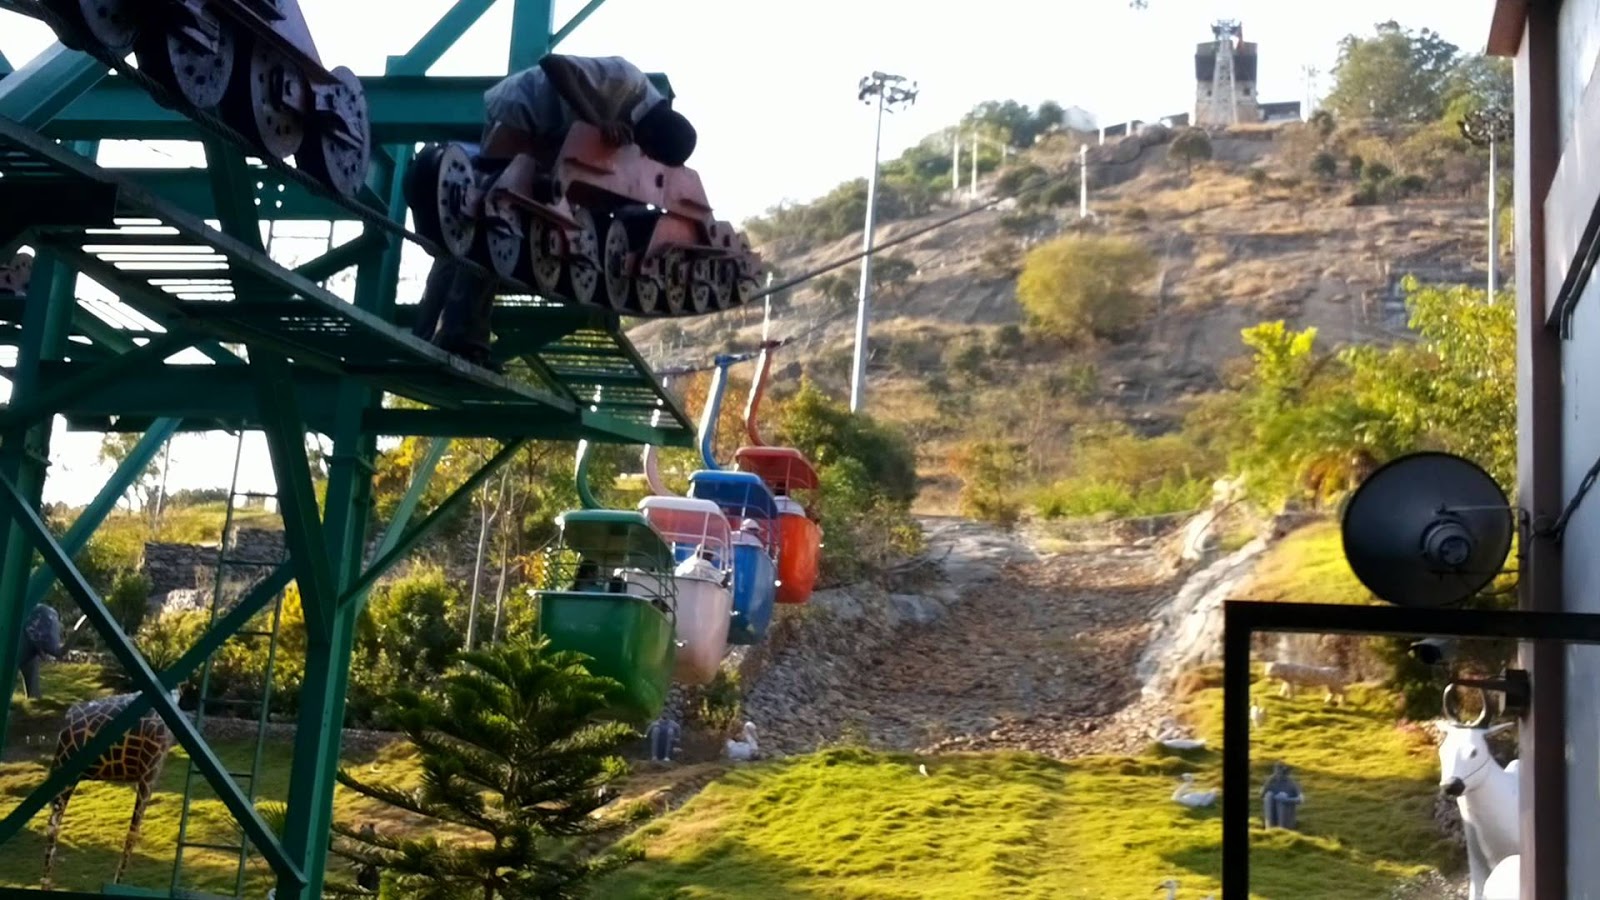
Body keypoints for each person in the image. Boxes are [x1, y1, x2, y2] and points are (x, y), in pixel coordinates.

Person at [413, 55, 699, 368]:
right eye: (650, 149)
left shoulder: (636, 116)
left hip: (547, 137)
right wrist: (598, 120)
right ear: (654, 131)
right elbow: (553, 64)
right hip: (522, 114)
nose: (643, 152)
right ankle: (458, 337)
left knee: (489, 230)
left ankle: (439, 333)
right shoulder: (626, 81)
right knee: (492, 220)